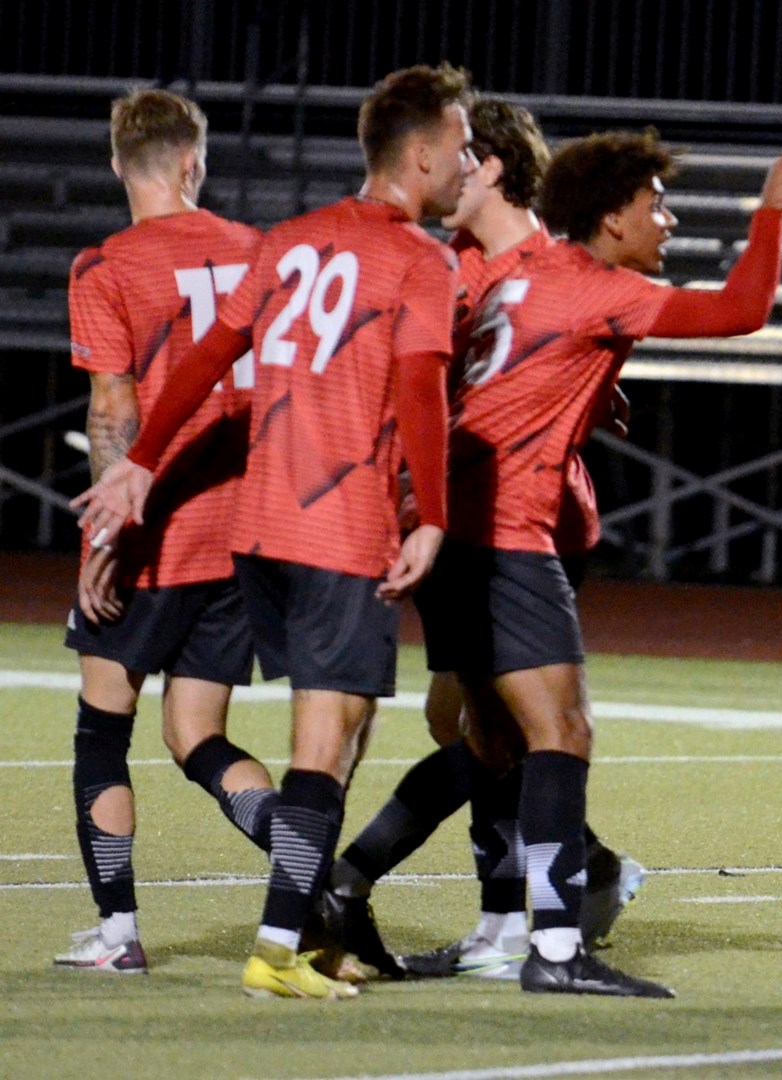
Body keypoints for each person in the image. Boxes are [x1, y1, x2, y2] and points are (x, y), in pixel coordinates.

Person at [75, 63, 474, 1000]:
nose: (468, 162)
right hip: (337, 521)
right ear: (419, 155)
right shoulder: (420, 258)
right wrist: (436, 517)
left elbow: (209, 356)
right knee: (324, 742)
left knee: (337, 728)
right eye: (459, 146)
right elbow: (419, 389)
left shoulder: (292, 240)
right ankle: (283, 943)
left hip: (260, 527)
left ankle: (294, 934)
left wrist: (137, 461)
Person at [407, 128, 782, 996]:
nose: (665, 221)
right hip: (510, 531)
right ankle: (553, 950)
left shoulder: (512, 275)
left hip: (449, 527)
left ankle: (489, 925)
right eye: (653, 207)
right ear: (610, 217)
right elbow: (740, 310)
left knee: (494, 740)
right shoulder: (599, 289)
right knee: (563, 734)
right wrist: (771, 215)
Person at [316, 96, 645, 984]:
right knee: (481, 727)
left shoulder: (544, 260)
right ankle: (534, 898)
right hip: (451, 515)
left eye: (466, 157)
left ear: (490, 168)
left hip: (522, 519)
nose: (451, 173)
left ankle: (510, 915)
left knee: (510, 725)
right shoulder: (451, 260)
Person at [56, 88, 277, 974]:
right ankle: (314, 876)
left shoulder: (107, 266)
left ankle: (118, 937)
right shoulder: (262, 252)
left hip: (155, 533)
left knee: (101, 731)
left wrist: (104, 537)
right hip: (245, 534)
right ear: (195, 162)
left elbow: (116, 406)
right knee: (196, 734)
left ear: (117, 164)